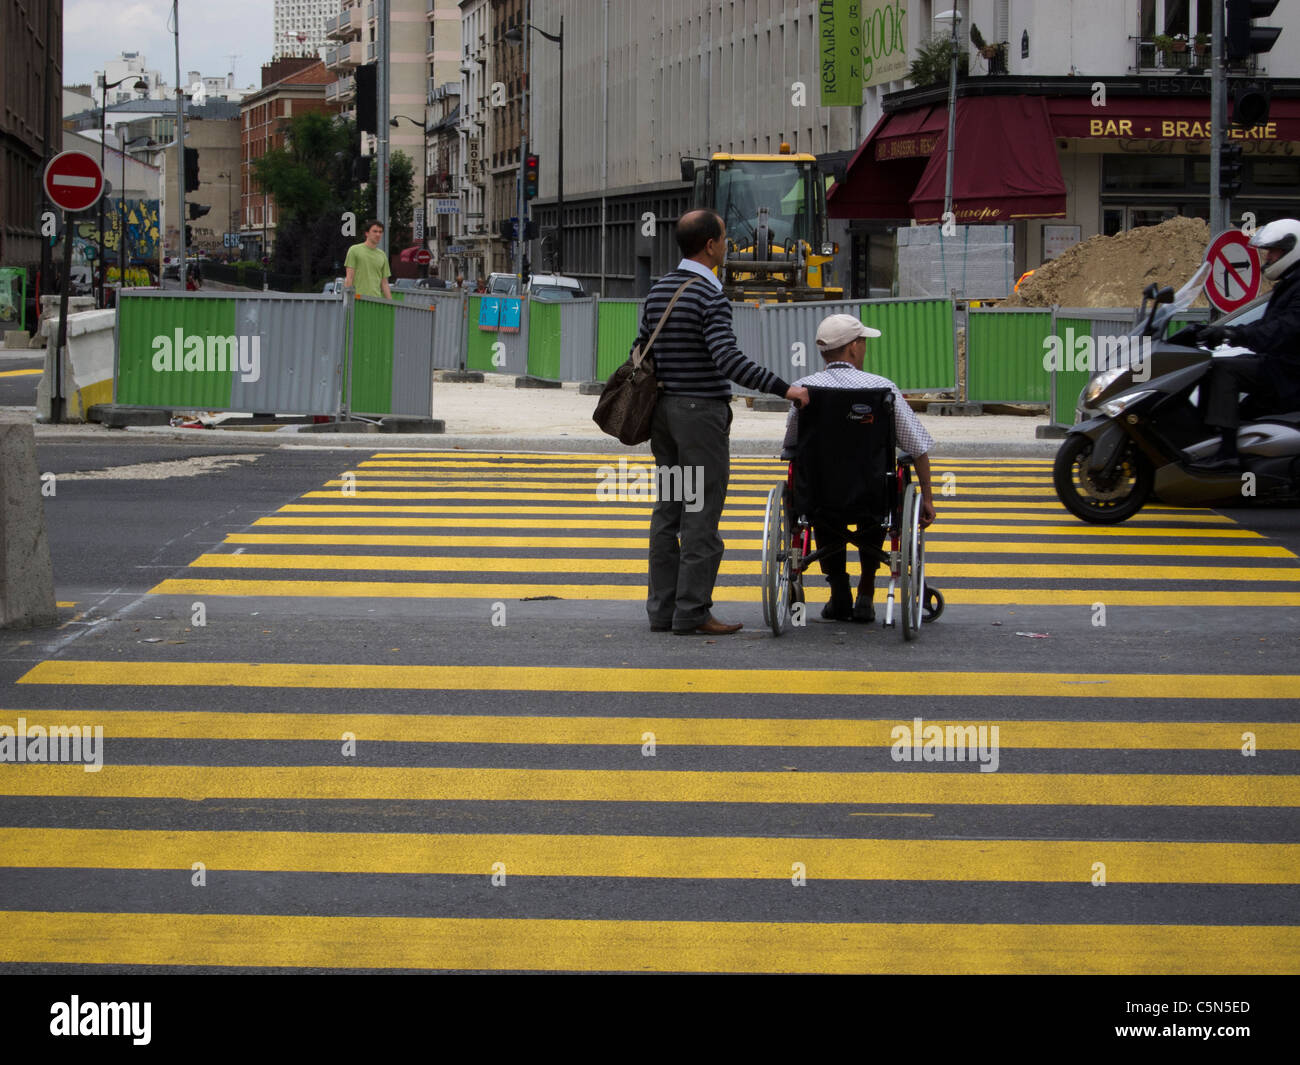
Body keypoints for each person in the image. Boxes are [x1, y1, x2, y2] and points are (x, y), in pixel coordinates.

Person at [642, 207, 810, 636]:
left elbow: (641, 350)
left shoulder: (659, 290)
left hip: (662, 415)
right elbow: (727, 358)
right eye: (723, 238)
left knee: (669, 512)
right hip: (699, 419)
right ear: (711, 245)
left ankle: (662, 611)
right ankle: (692, 612)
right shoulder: (709, 295)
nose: (727, 245)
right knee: (700, 514)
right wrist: (784, 388)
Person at [782, 314, 937, 622]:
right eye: (863, 342)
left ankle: (839, 590)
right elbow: (918, 446)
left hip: (819, 494)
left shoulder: (803, 389)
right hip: (871, 493)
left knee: (823, 504)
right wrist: (928, 499)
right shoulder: (882, 389)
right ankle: (866, 591)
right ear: (853, 348)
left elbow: (790, 445)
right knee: (878, 497)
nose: (864, 348)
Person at [1194, 218, 1300, 470]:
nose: (1268, 257)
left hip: (1289, 373)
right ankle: (1210, 442)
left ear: (1290, 250)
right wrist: (1224, 331)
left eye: (1273, 251)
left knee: (1225, 370)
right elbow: (1265, 325)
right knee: (1214, 366)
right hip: (1280, 366)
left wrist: (1233, 335)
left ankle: (1227, 453)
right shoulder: (1291, 283)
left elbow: (1282, 330)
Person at [343, 219, 393, 300]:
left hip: (376, 301)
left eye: (380, 232)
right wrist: (348, 301)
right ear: (367, 233)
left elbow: (384, 283)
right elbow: (349, 278)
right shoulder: (354, 250)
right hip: (358, 300)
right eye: (375, 231)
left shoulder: (382, 255)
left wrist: (391, 304)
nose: (378, 234)